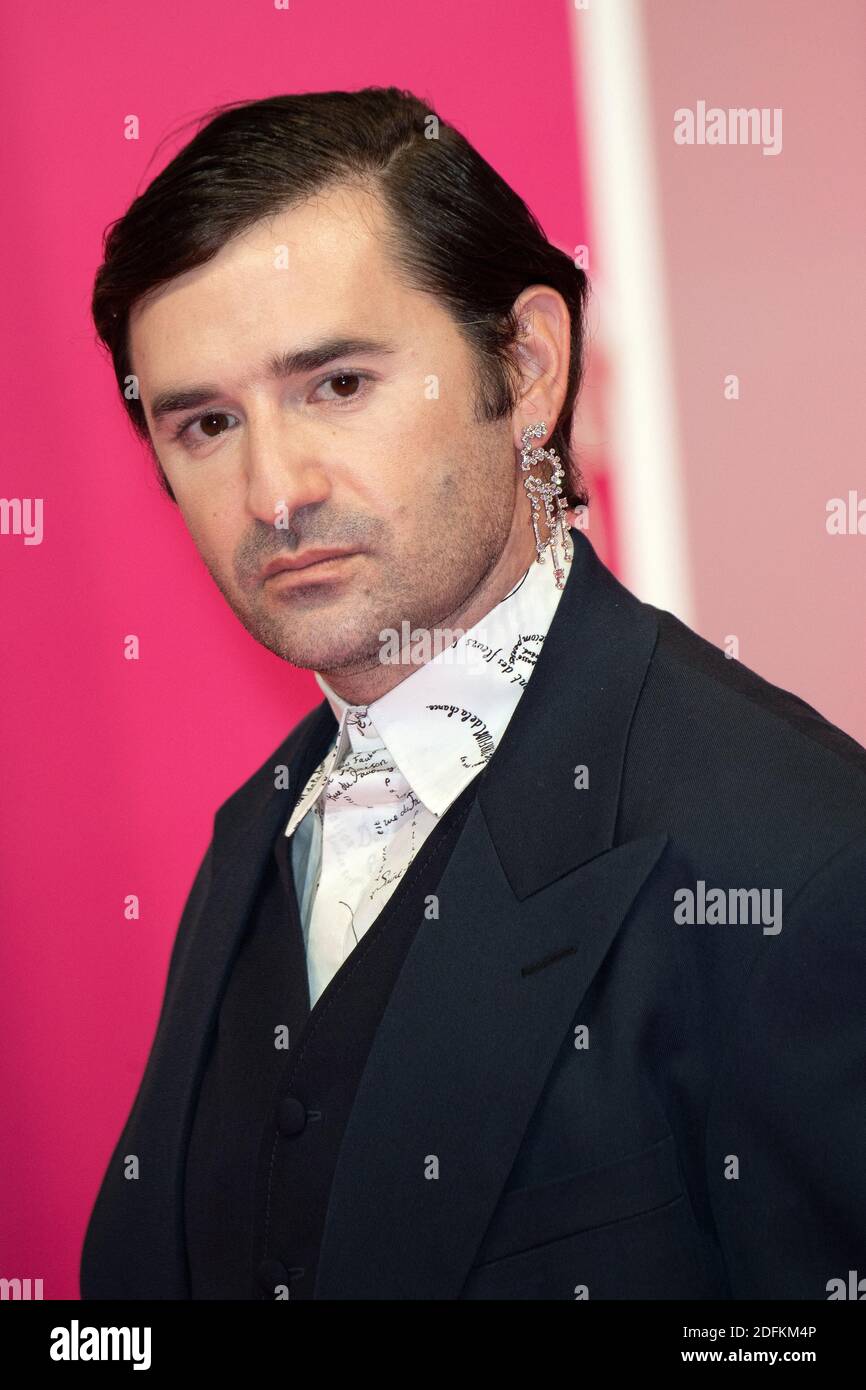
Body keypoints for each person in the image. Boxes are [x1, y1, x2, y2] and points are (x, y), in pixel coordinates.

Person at [80, 87, 866, 1301]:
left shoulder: (799, 857)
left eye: (337, 383)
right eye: (205, 421)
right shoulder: (254, 837)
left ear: (527, 367)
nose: (272, 488)